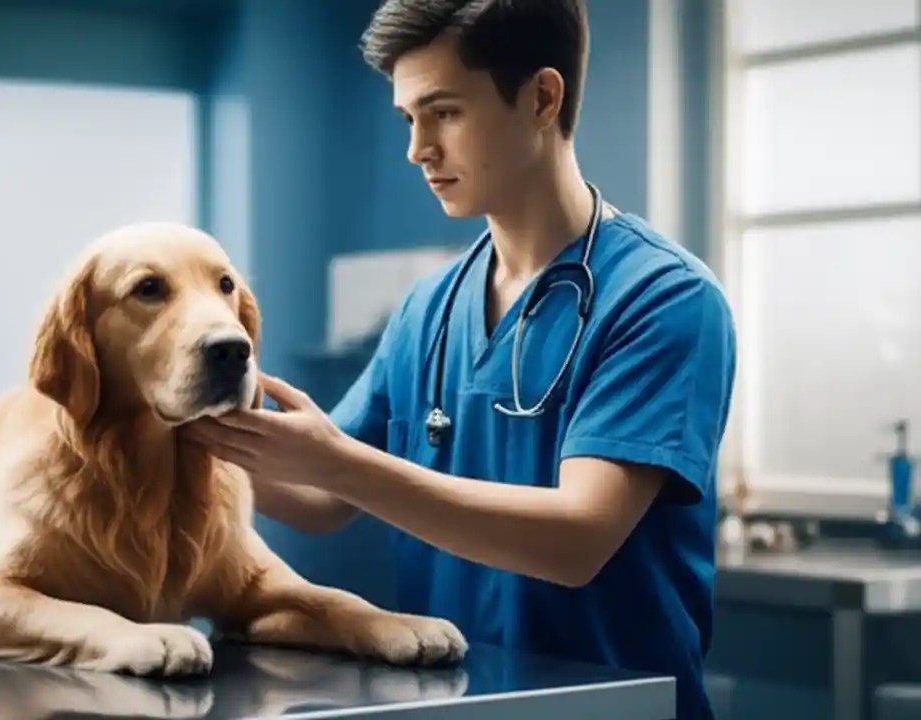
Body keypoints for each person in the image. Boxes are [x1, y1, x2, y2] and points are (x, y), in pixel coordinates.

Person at [185, 1, 737, 719]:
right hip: (459, 705)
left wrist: (337, 464)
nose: (417, 149)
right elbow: (320, 499)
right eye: (408, 118)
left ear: (542, 98)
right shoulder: (431, 307)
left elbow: (578, 540)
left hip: (611, 706)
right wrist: (184, 421)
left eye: (444, 113)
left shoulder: (665, 298)